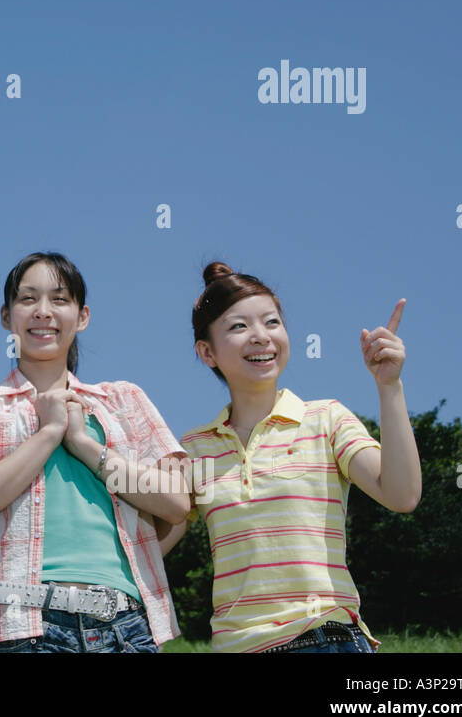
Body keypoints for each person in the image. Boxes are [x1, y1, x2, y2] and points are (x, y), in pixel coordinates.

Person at [0, 251, 191, 652]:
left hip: (126, 623)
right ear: (6, 317)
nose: (43, 312)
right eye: (28, 299)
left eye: (59, 299)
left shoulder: (123, 399)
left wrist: (85, 444)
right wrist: (50, 432)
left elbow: (176, 502)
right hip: (22, 621)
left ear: (83, 316)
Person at [163, 262, 421, 653]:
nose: (260, 337)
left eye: (271, 322)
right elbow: (146, 548)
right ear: (207, 352)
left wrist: (390, 387)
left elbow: (401, 495)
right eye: (238, 327)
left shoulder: (327, 418)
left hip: (323, 637)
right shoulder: (195, 447)